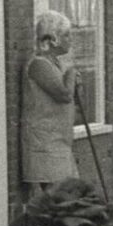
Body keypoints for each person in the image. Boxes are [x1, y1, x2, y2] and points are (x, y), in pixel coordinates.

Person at [20, 10, 82, 199]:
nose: (70, 39)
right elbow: (64, 95)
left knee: (68, 194)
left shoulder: (54, 63)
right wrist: (71, 75)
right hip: (45, 141)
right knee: (59, 196)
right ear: (53, 38)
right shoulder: (39, 64)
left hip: (59, 140)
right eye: (65, 35)